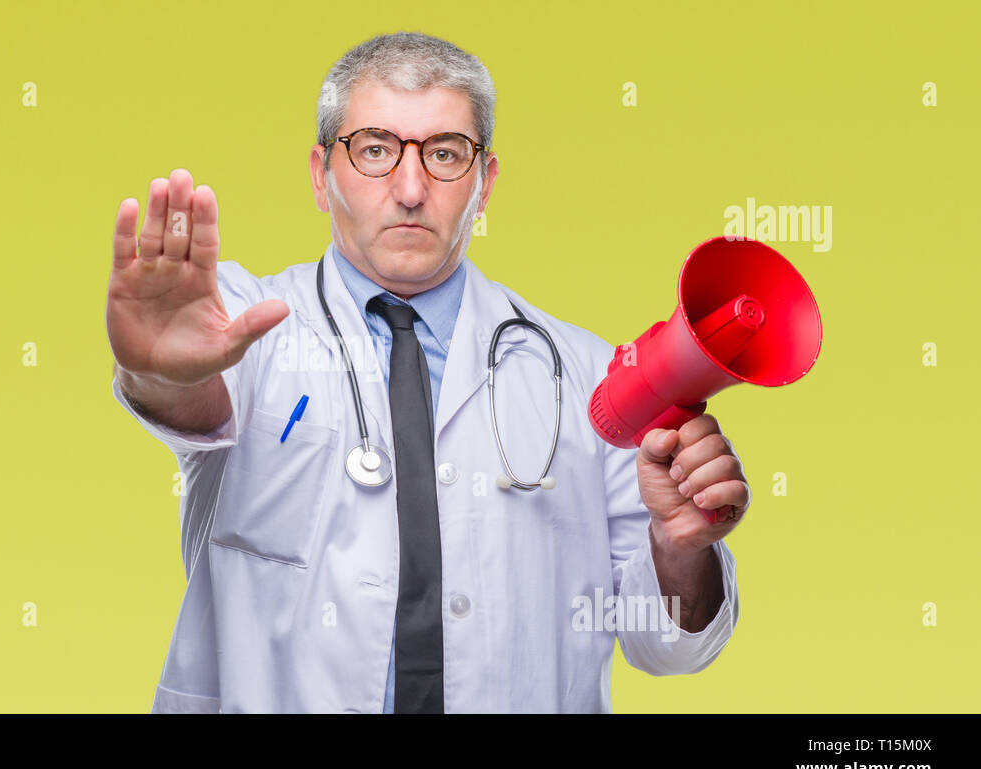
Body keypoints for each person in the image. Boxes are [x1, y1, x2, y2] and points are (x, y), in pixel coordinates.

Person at [105, 32, 746, 714]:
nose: (411, 190)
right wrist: (158, 372)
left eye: (444, 154)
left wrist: (680, 548)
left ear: (485, 181)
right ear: (321, 175)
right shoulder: (246, 328)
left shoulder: (587, 377)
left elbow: (665, 645)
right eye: (376, 150)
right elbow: (193, 397)